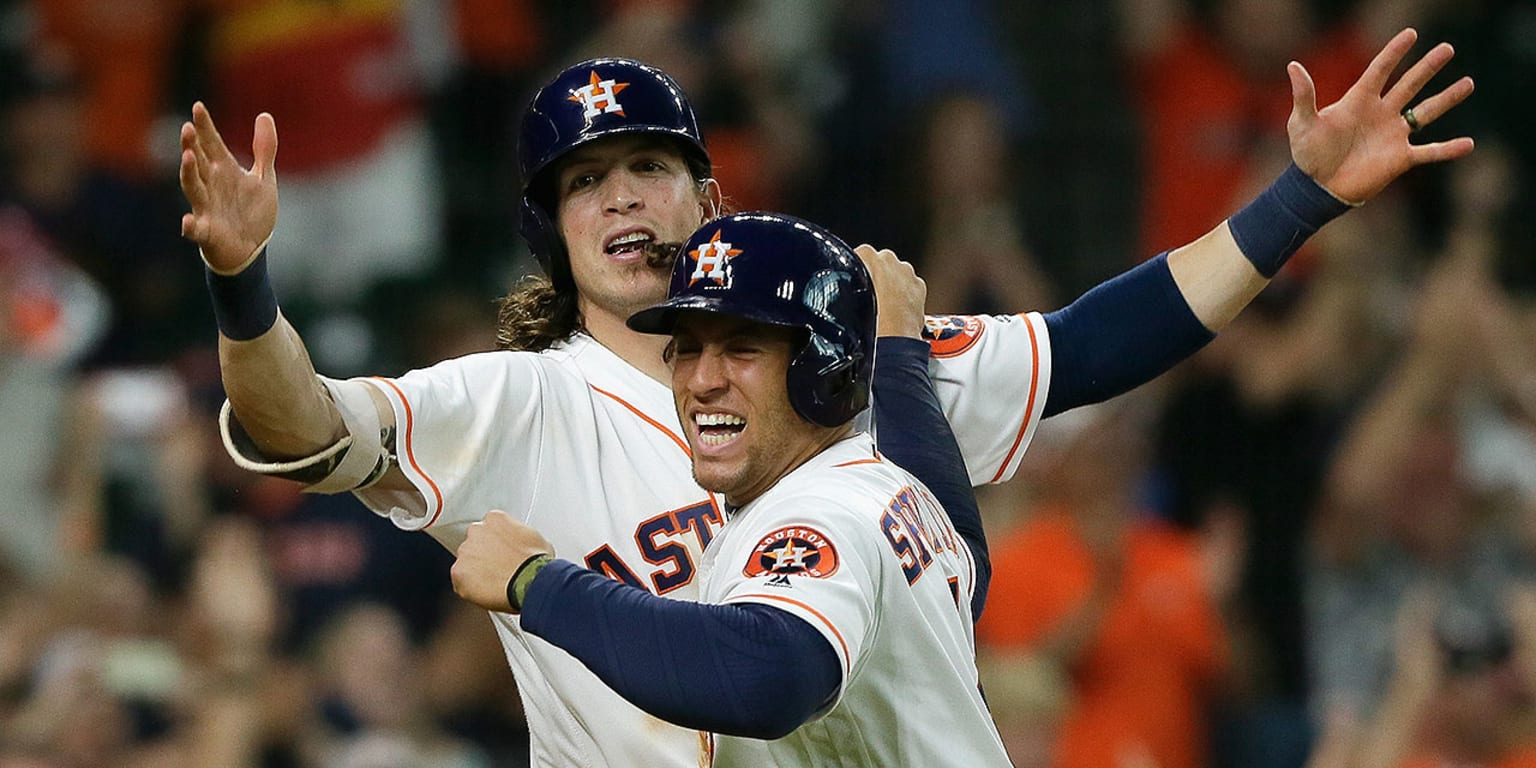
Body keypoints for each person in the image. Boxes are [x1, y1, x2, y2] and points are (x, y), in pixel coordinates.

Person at [180, 30, 1474, 767]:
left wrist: (1296, 200)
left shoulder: (836, 350)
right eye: (584, 182)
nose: (621, 197)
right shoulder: (513, 401)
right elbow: (300, 427)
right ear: (549, 231)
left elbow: (1090, 345)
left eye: (647, 167)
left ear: (707, 192)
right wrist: (243, 285)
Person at [450, 211, 1012, 766]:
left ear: (823, 368)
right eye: (687, 349)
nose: (701, 381)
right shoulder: (881, 484)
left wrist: (539, 584)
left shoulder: (820, 511)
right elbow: (964, 571)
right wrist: (898, 355)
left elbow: (769, 677)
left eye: (742, 349)